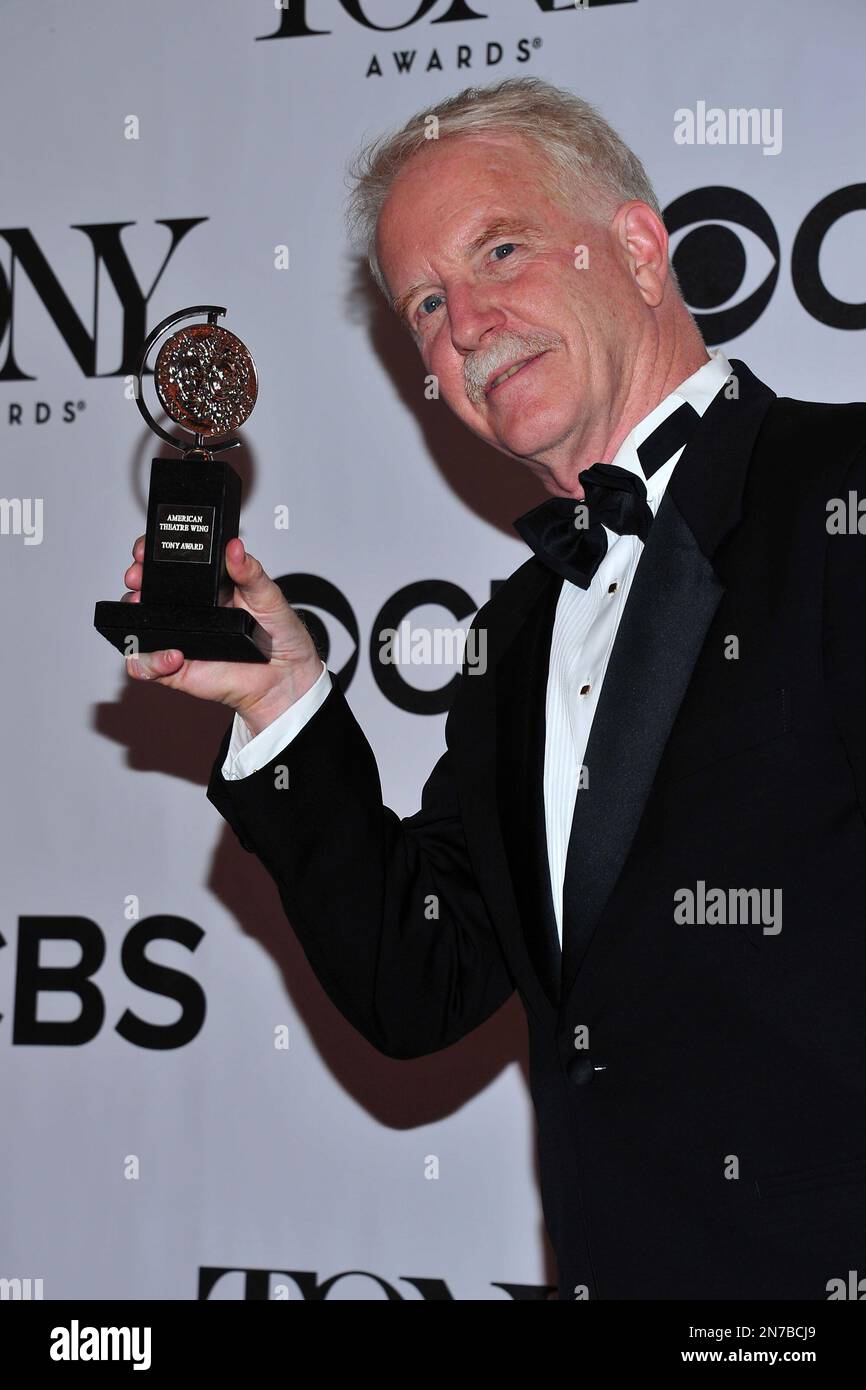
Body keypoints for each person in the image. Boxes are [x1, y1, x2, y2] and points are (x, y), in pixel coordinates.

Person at [121, 76, 866, 1300]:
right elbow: (421, 984)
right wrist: (281, 700)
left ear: (634, 247)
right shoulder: (518, 625)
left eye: (500, 248)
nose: (463, 322)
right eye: (422, 302)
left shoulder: (836, 494)